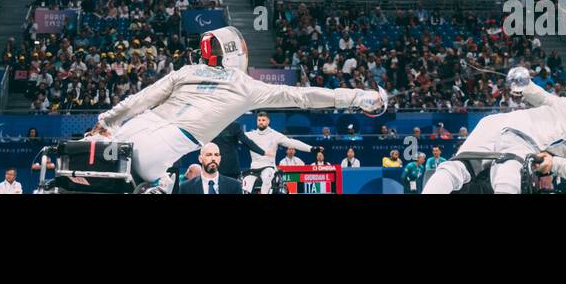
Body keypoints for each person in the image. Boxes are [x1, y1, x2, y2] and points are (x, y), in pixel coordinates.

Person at [88, 27, 385, 192]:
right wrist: (360, 97)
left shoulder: (186, 71)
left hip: (134, 128)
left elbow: (141, 99)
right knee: (159, 182)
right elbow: (302, 96)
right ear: (234, 56)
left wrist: (106, 121)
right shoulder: (245, 86)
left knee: (89, 171)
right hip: (159, 148)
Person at [423, 58, 566, 195]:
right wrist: (528, 87)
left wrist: (556, 163)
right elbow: (554, 104)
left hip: (526, 139)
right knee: (455, 168)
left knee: (505, 174)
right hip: (502, 122)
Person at [245, 110, 315, 194]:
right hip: (253, 168)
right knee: (246, 185)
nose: (261, 122)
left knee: (267, 178)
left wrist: (311, 148)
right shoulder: (250, 135)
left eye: (263, 120)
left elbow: (292, 142)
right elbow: (236, 136)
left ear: (268, 121)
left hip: (268, 167)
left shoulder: (275, 135)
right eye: (259, 120)